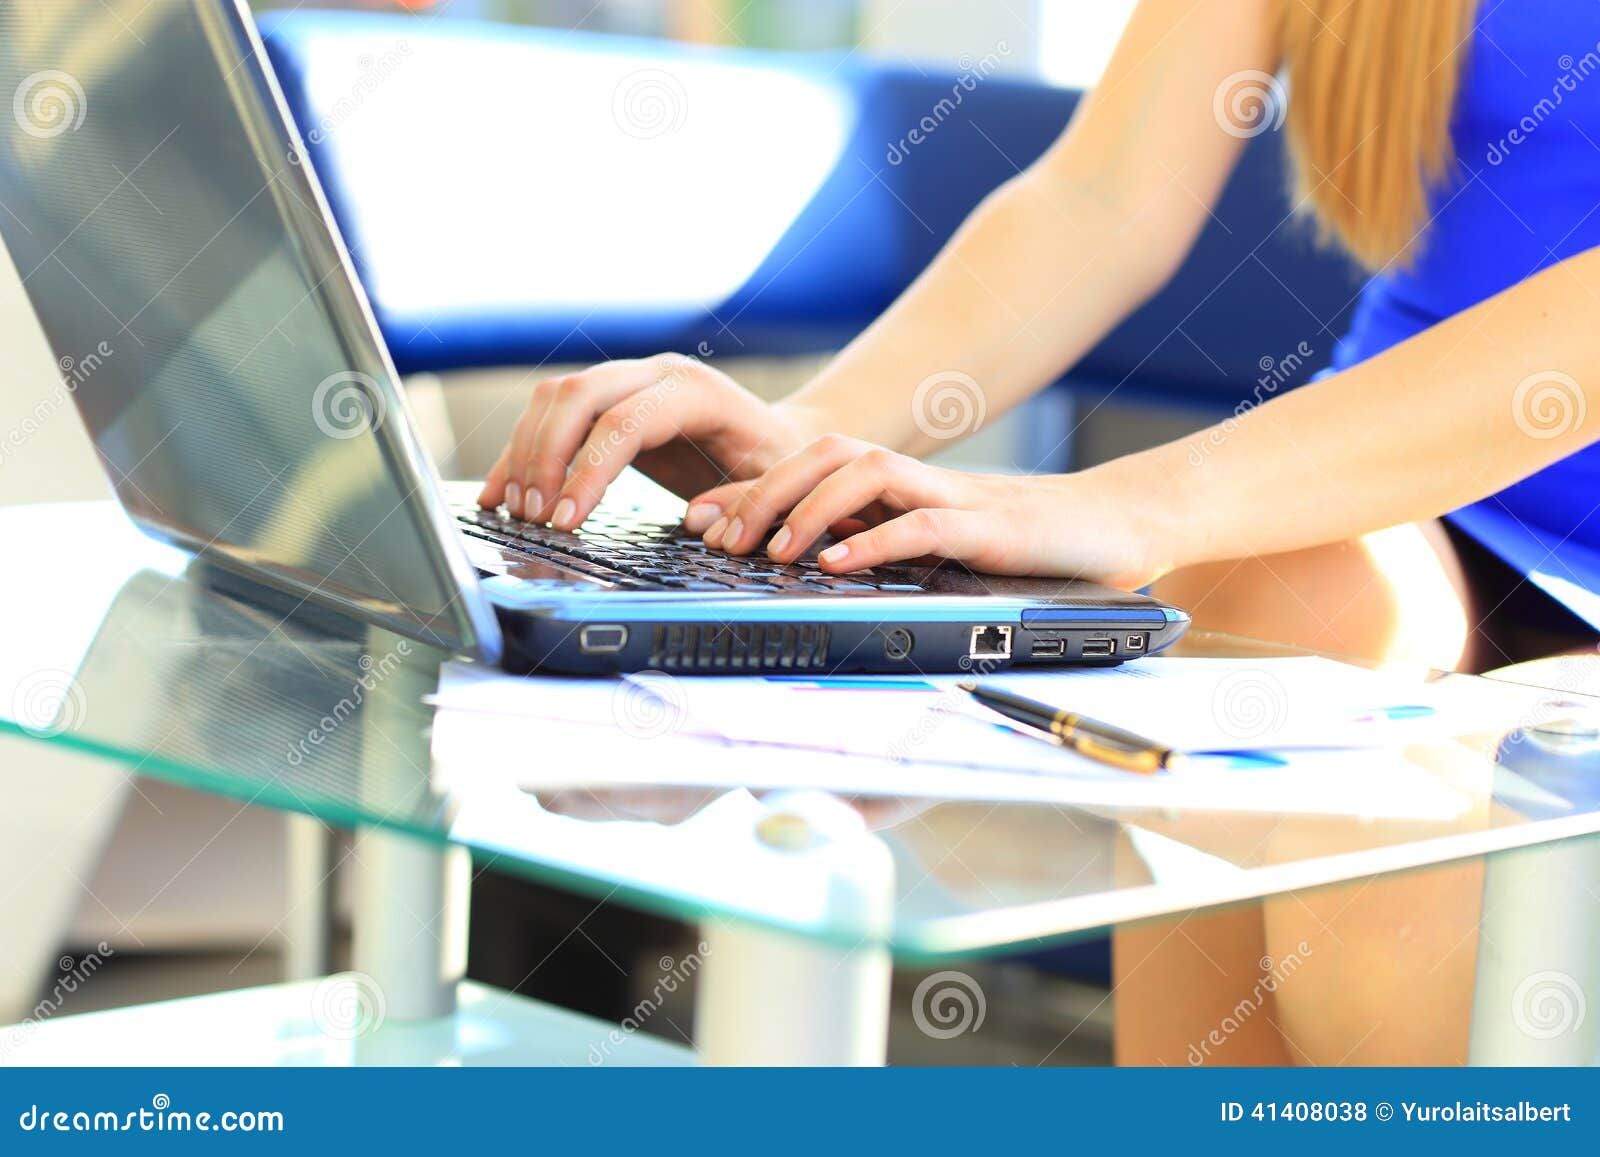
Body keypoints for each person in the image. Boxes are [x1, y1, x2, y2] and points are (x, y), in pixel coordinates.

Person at [477, 0, 1600, 1063]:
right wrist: (805, 440)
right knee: (1273, 598)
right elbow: (1105, 193)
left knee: (1389, 894)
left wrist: (1123, 504)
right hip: (1418, 501)